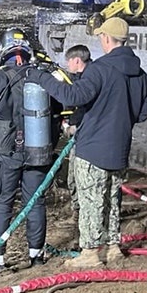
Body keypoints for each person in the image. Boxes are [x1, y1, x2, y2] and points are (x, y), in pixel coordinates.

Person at [28, 17, 147, 267]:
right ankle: (114, 247)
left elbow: (73, 96)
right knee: (112, 199)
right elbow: (143, 113)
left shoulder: (100, 69)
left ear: (106, 38)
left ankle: (90, 253)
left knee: (91, 201)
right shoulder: (141, 75)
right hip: (120, 149)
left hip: (92, 147)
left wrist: (41, 78)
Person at [0, 28, 54, 273]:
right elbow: (55, 115)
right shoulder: (41, 77)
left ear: (0, 52)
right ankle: (36, 256)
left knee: (2, 204)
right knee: (35, 202)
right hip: (38, 152)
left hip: (5, 154)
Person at [62, 44, 92, 238]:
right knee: (73, 178)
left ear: (77, 61)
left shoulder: (89, 81)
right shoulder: (80, 79)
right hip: (79, 135)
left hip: (85, 140)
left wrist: (74, 127)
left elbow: (86, 109)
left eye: (68, 61)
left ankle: (82, 215)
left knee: (78, 179)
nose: (66, 65)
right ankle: (77, 210)